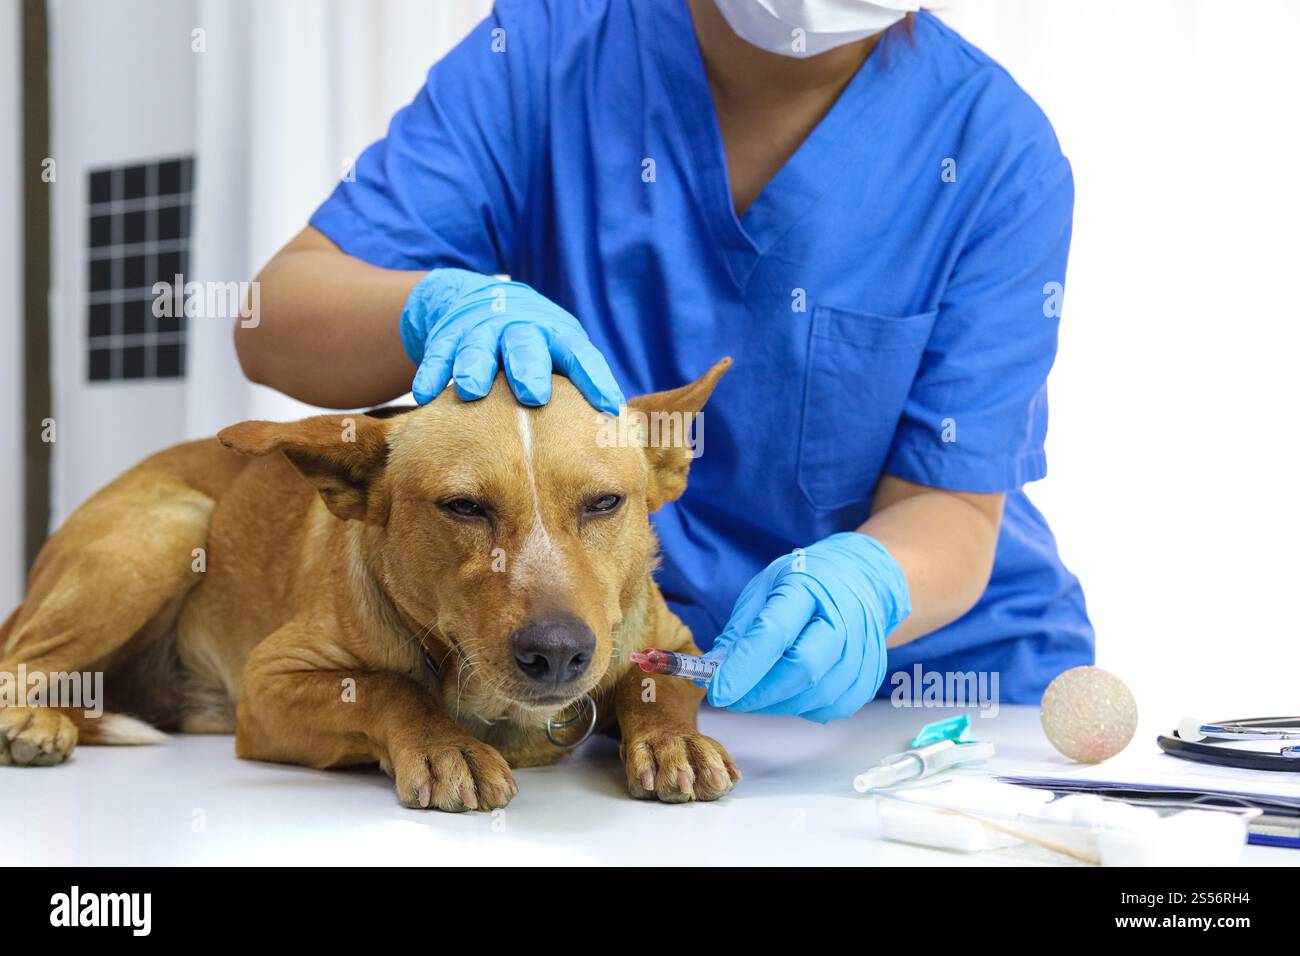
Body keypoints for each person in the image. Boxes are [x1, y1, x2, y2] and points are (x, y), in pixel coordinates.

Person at [238, 0, 1092, 722]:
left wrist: (865, 588)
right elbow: (269, 317)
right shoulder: (550, 50)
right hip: (607, 675)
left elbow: (955, 509)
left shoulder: (994, 150)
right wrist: (434, 307)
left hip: (936, 687)